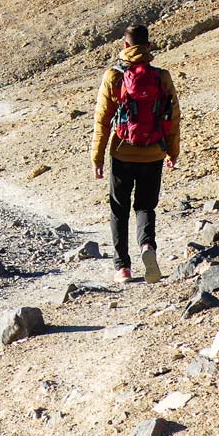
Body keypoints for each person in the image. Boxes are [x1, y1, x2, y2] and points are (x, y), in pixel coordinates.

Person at [91, 24, 181, 283]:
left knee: (119, 210)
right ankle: (147, 247)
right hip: (153, 153)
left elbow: (102, 121)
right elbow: (173, 117)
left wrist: (97, 158)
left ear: (125, 46)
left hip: (122, 154)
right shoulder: (162, 76)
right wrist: (172, 151)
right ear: (149, 46)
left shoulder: (113, 76)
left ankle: (123, 268)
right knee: (145, 206)